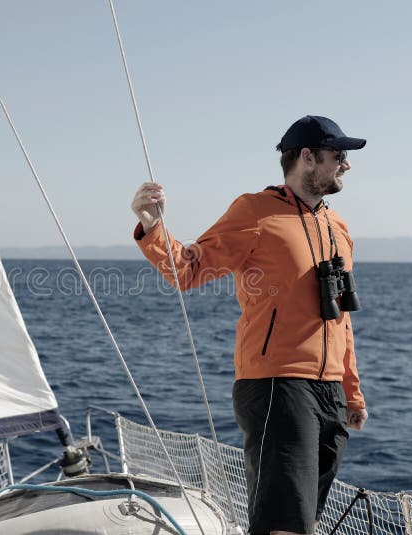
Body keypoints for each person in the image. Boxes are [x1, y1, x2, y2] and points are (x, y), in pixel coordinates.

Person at [131, 115, 369, 535]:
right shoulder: (255, 212)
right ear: (308, 157)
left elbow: (341, 318)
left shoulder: (338, 227)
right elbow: (189, 270)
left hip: (328, 391)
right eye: (339, 155)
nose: (346, 165)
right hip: (278, 384)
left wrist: (351, 391)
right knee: (286, 523)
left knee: (306, 520)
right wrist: (153, 226)